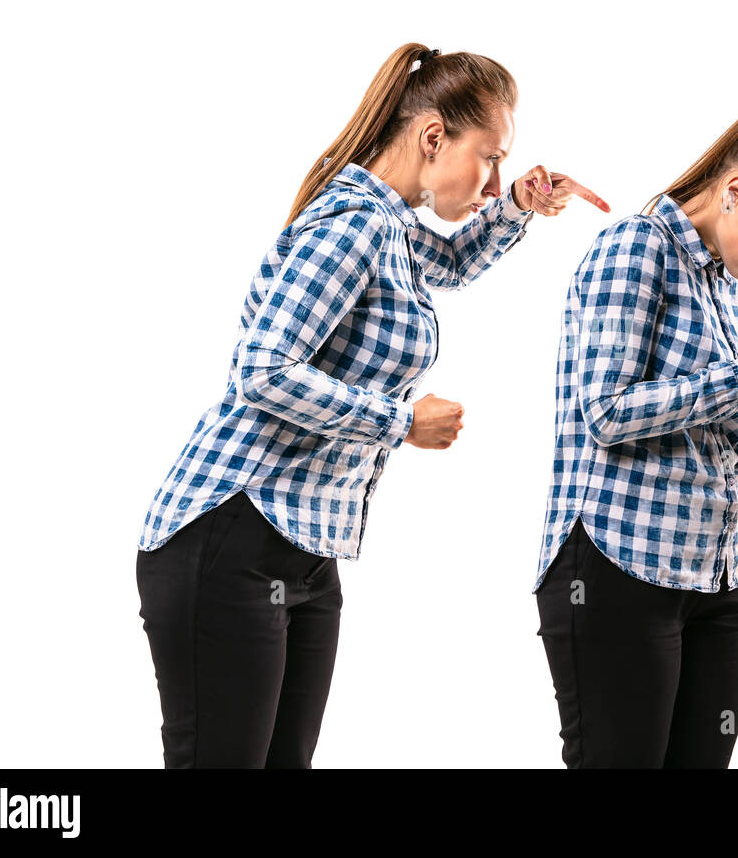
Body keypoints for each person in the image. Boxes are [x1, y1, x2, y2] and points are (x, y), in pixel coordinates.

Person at [136, 43, 608, 768]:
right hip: (231, 532)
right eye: (489, 159)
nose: (493, 180)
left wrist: (517, 208)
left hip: (302, 548)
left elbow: (447, 263)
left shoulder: (388, 224)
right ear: (432, 138)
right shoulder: (353, 223)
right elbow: (264, 370)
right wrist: (401, 423)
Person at [533, 104, 738, 768]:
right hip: (618, 568)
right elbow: (606, 412)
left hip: (718, 575)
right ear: (735, 189)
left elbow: (726, 432)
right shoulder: (634, 248)